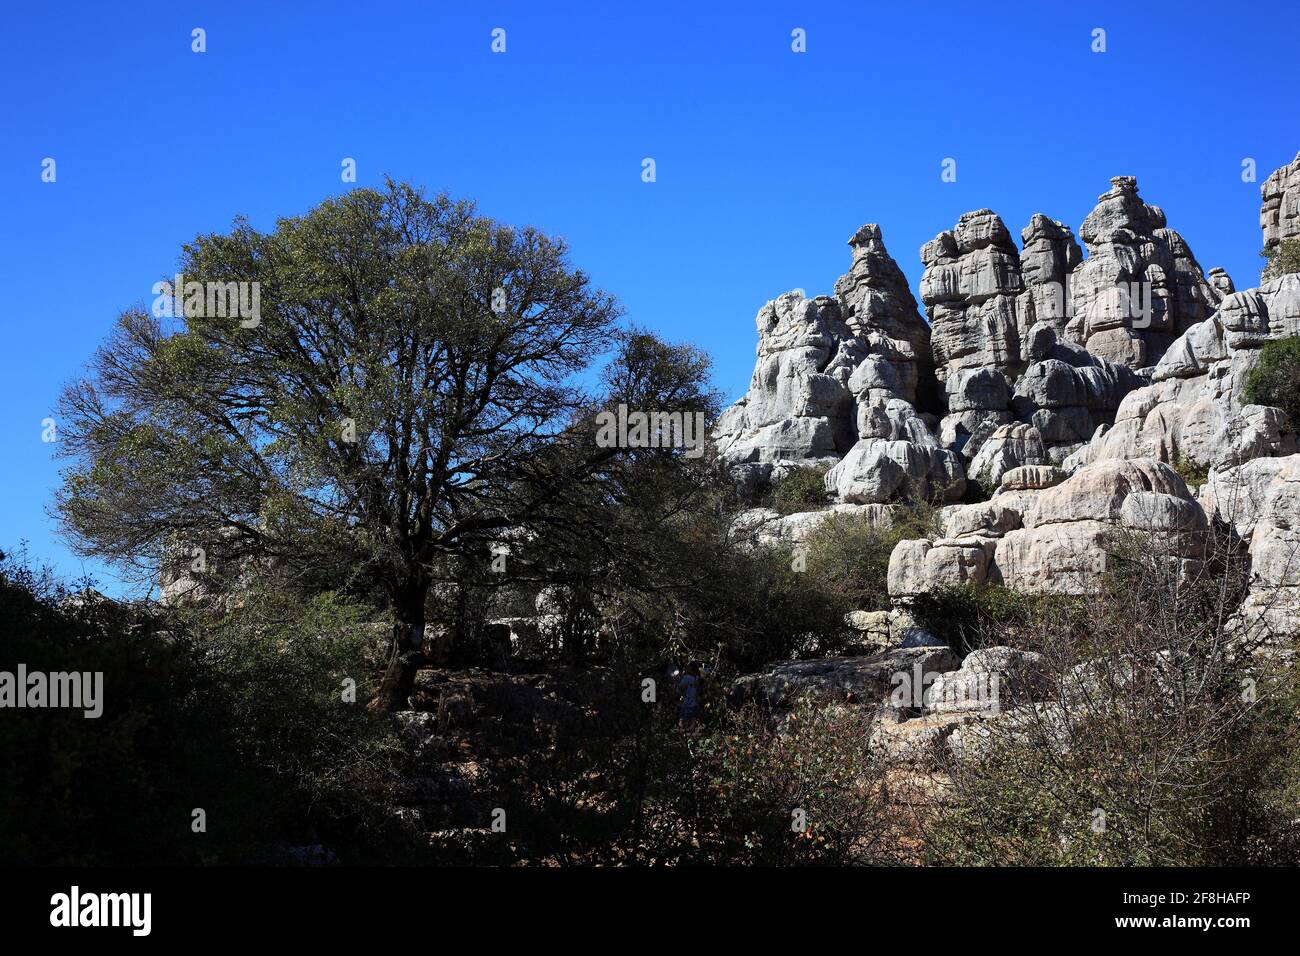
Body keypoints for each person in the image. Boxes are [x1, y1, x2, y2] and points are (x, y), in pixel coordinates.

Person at [676, 661, 702, 728]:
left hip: (687, 703)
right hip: (695, 703)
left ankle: (683, 732)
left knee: (682, 721)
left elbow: (679, 688)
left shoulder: (687, 677)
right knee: (693, 721)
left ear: (690, 668)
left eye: (687, 667)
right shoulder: (697, 678)